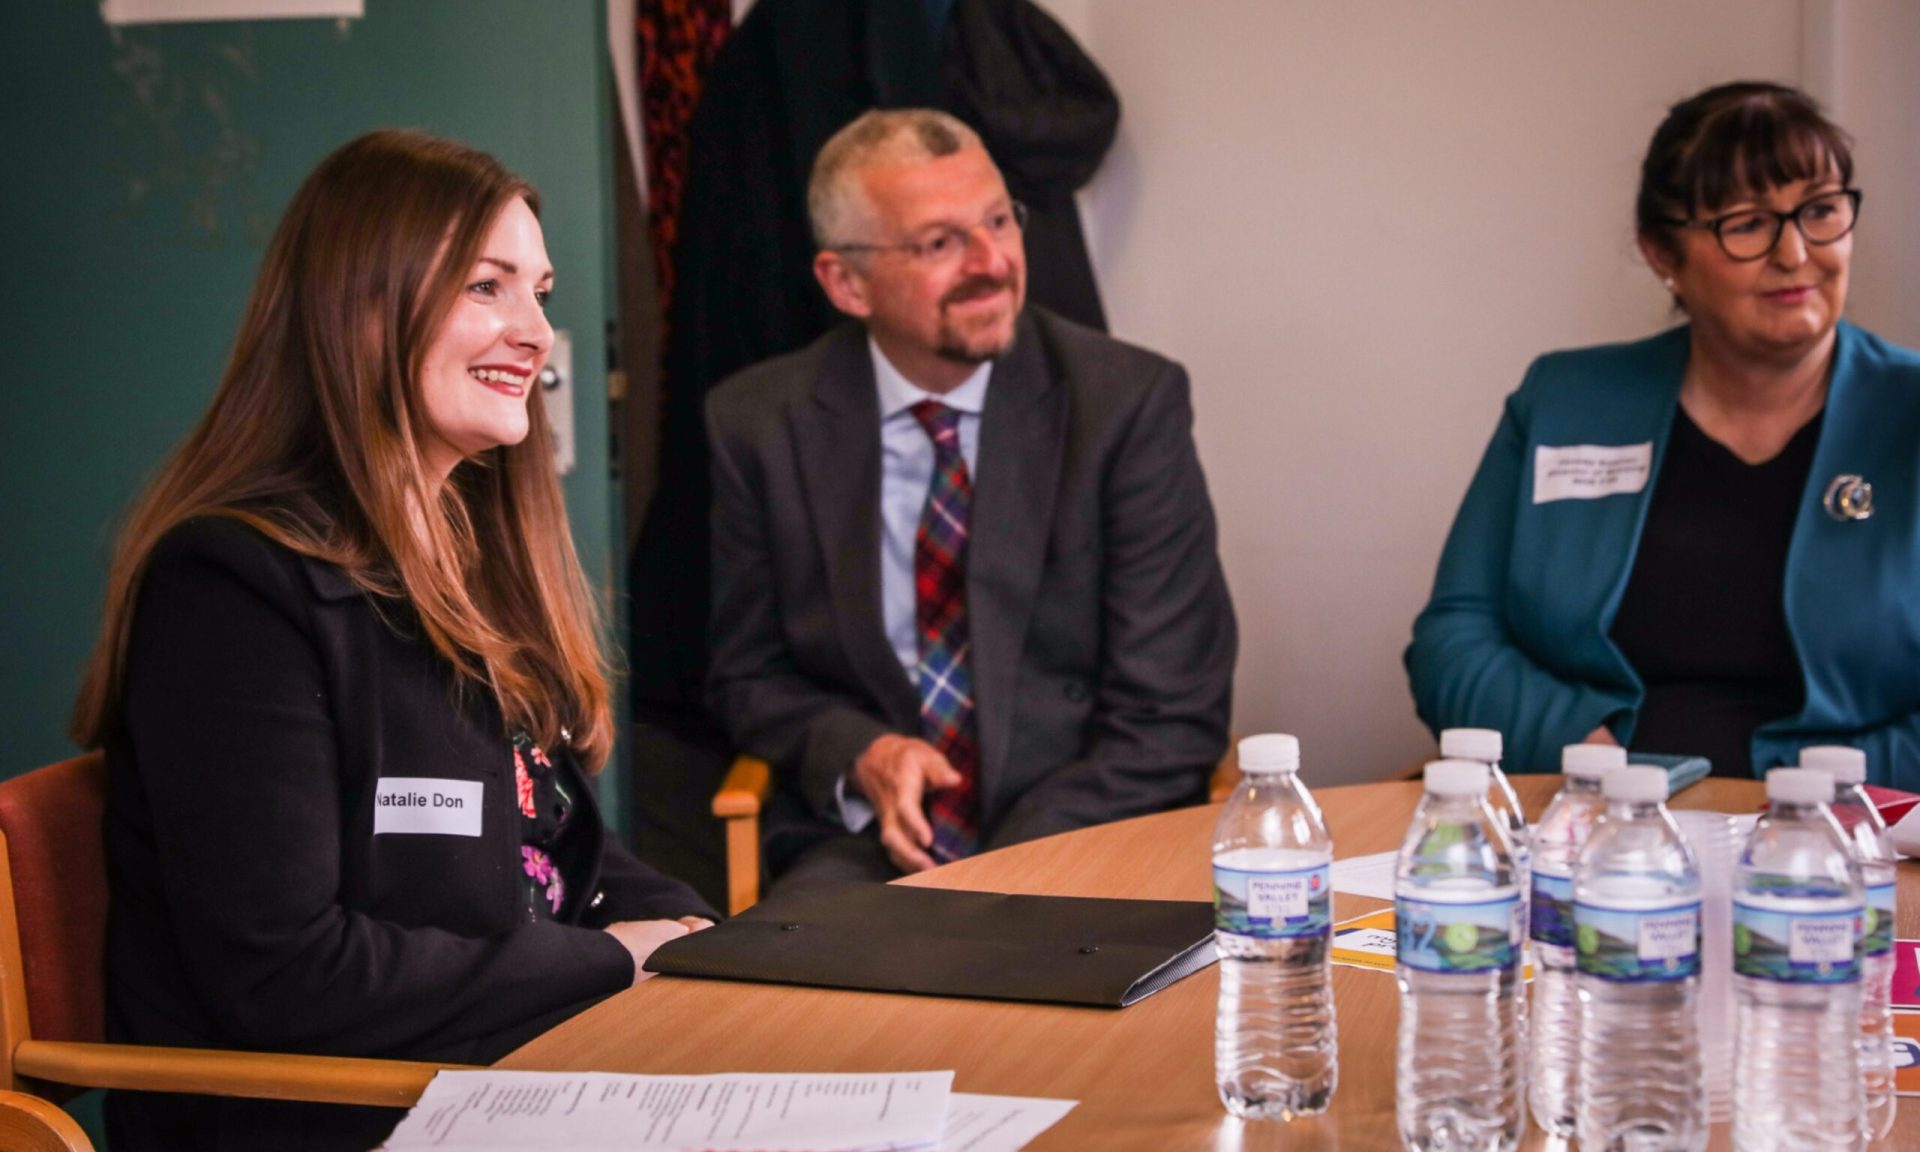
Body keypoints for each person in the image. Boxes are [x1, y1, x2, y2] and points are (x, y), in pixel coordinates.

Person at [69, 131, 716, 1152]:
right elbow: (290, 977)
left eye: (539, 292)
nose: (535, 332)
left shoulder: (468, 563)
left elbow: (548, 852)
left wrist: (692, 934)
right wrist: (614, 962)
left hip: (503, 1080)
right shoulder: (229, 591)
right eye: (487, 287)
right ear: (360, 307)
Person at [705, 109, 1236, 889]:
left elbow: (1170, 717)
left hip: (1084, 830)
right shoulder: (758, 423)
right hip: (864, 846)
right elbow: (747, 676)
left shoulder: (1126, 406)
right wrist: (863, 752)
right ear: (846, 282)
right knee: (802, 1004)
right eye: (940, 242)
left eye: (999, 221)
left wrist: (1001, 874)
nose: (993, 263)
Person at [1406, 81, 1920, 787]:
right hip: (1595, 817)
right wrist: (1585, 755)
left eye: (1821, 210)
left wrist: (1813, 802)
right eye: (1747, 223)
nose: (1797, 253)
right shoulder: (1565, 402)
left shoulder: (1909, 411)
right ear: (1662, 254)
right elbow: (1455, 636)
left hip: (1850, 841)